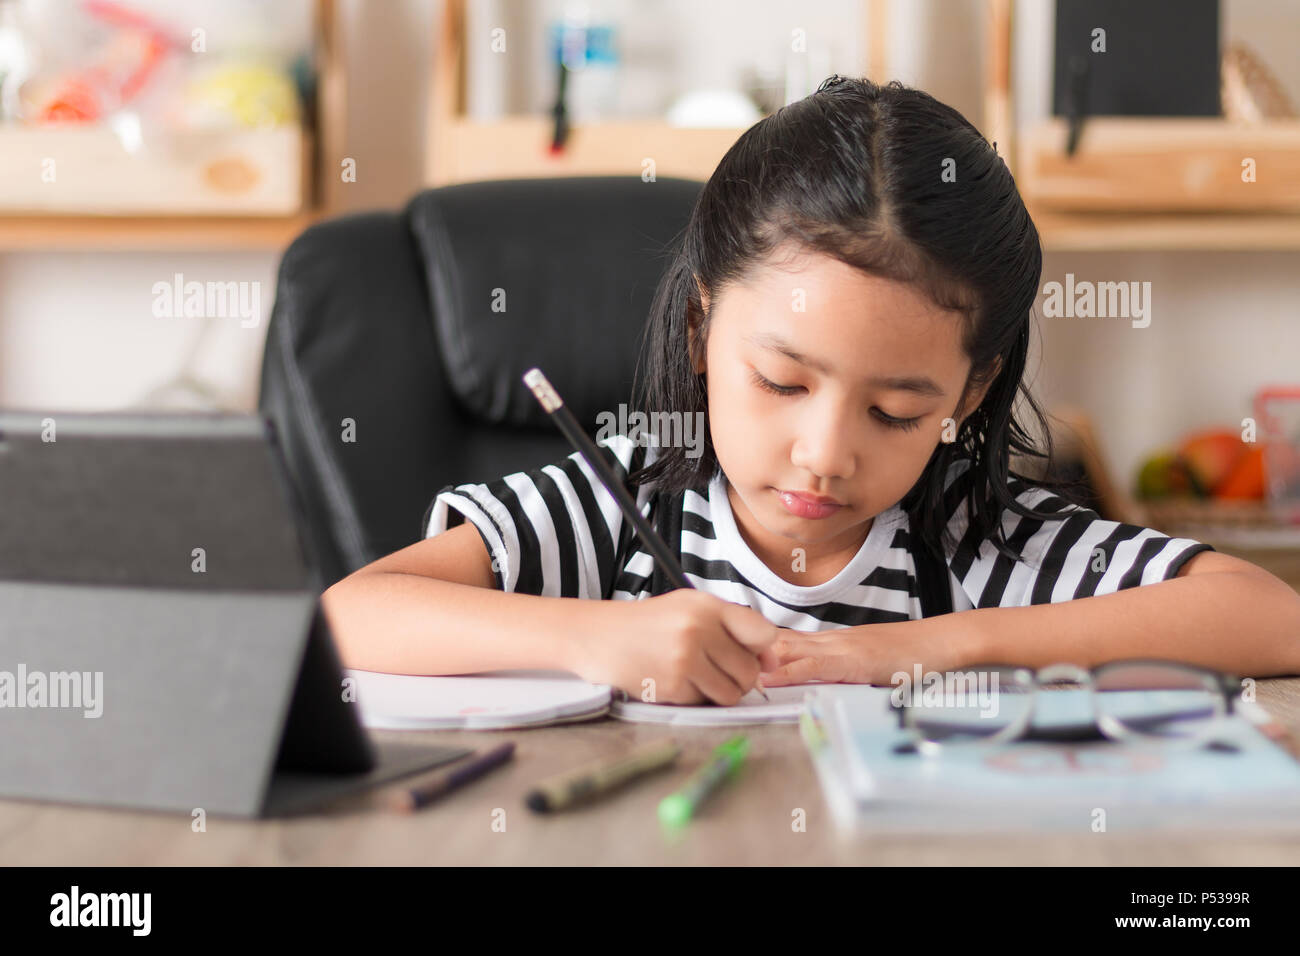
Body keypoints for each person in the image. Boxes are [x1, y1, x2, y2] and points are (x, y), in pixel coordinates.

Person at [321, 76, 1300, 704]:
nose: (826, 452)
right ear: (703, 325)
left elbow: (1269, 617)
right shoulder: (618, 503)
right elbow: (350, 611)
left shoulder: (974, 539)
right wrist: (595, 635)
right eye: (781, 380)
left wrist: (933, 645)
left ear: (972, 387)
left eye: (895, 410)